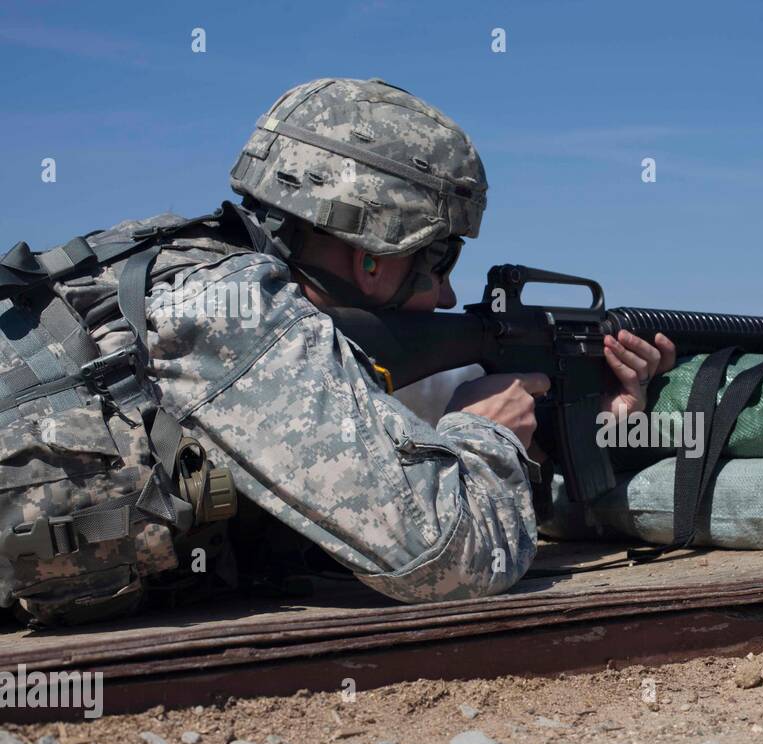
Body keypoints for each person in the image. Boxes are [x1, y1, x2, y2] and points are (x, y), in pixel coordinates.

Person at [0, 77, 673, 623]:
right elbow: (444, 559)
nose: (445, 297)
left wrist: (595, 420)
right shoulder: (234, 308)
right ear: (373, 256)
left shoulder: (187, 275)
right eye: (438, 260)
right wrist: (486, 433)